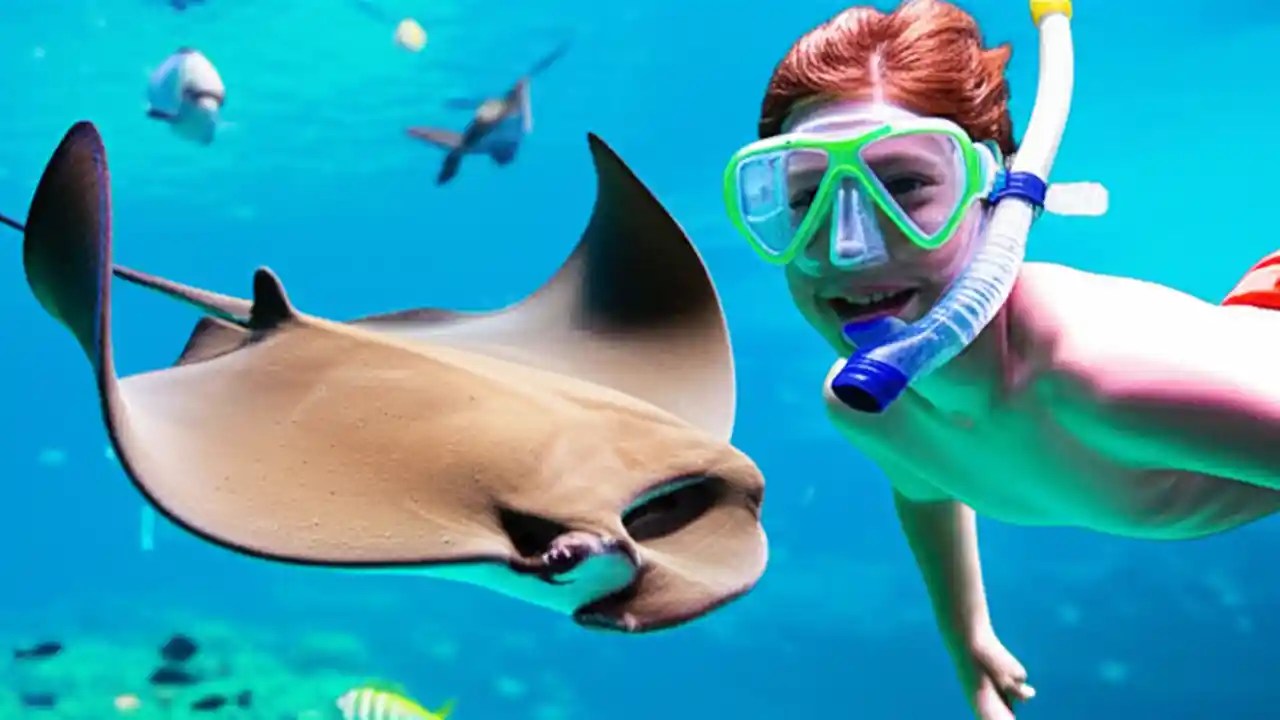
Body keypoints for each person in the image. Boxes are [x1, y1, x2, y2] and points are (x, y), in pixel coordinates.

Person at [721, 1, 1280, 718]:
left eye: (905, 187)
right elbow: (927, 486)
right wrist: (969, 635)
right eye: (804, 199)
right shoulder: (872, 410)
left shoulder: (1094, 380)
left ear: (1001, 198)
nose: (847, 248)